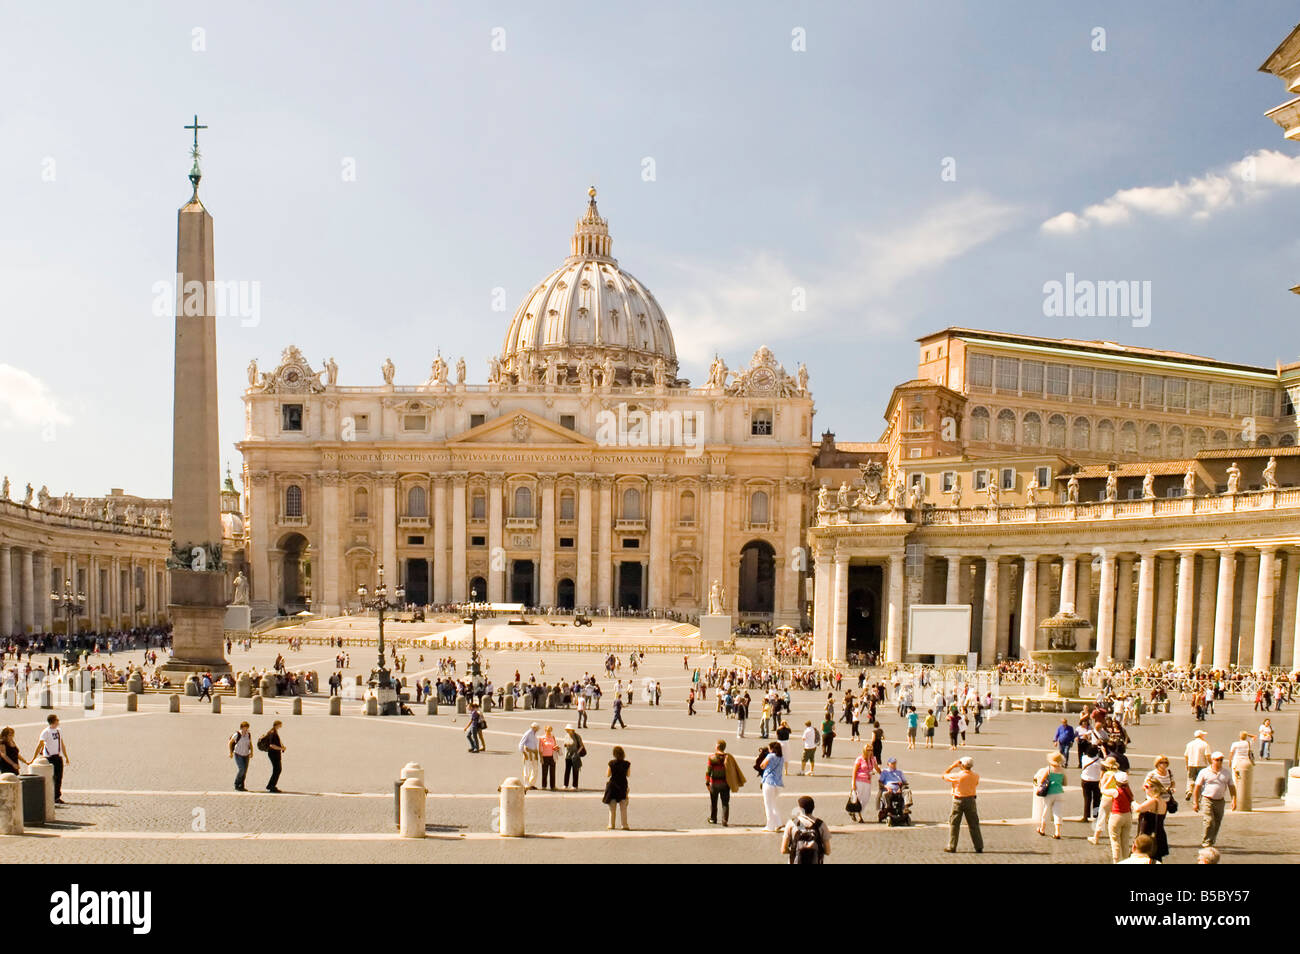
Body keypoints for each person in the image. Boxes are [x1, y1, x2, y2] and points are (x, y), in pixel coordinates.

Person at [1192, 752, 1236, 848]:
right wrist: (1195, 802)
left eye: (1221, 760)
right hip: (1207, 799)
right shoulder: (1204, 772)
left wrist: (1234, 800)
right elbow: (1197, 788)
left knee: (1217, 822)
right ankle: (1206, 841)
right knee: (1209, 821)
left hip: (1220, 801)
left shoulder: (1226, 772)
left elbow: (1232, 787)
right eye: (1217, 759)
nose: (1219, 762)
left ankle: (1211, 840)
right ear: (1212, 760)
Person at [942, 756, 982, 853]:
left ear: (962, 765)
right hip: (971, 800)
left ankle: (952, 846)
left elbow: (944, 775)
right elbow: (975, 784)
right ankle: (979, 846)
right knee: (974, 824)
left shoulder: (957, 776)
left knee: (954, 824)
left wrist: (952, 766)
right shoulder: (976, 776)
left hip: (958, 800)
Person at [1136, 757, 1173, 862]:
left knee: (1146, 857)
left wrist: (1132, 802)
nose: (1146, 788)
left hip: (1149, 832)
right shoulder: (1162, 801)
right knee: (1157, 858)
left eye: (1149, 786)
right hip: (1159, 832)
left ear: (1155, 788)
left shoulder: (1153, 801)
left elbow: (1138, 809)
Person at [780, 795, 830, 864]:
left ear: (800, 809)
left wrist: (795, 852)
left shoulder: (792, 823)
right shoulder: (820, 824)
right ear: (813, 808)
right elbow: (828, 851)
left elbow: (783, 850)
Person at [705, 739, 745, 826]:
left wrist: (707, 783)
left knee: (714, 802)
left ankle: (713, 818)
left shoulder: (711, 757)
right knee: (725, 803)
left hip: (714, 783)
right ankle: (724, 820)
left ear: (717, 746)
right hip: (725, 783)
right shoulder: (729, 757)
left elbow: (708, 771)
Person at [32, 714, 69, 803]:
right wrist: (34, 758)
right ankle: (49, 796)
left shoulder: (58, 731)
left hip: (58, 757)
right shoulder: (46, 732)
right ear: (53, 721)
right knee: (50, 778)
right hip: (49, 757)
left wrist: (66, 756)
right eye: (57, 720)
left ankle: (56, 796)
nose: (58, 721)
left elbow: (62, 744)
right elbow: (40, 745)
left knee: (59, 777)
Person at [1033, 751, 1067, 838]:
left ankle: (1042, 829)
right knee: (1058, 813)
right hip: (1059, 793)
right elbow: (1065, 783)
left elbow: (1041, 781)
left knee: (1045, 810)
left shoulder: (1048, 769)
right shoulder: (1062, 770)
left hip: (1049, 793)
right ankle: (1057, 832)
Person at [1107, 770, 1136, 863]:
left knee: (1115, 840)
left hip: (1116, 816)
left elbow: (1102, 789)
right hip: (1127, 816)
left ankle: (1116, 861)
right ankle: (1126, 861)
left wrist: (1109, 780)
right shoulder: (1128, 790)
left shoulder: (1115, 791)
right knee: (1125, 841)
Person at [759, 741, 786, 831]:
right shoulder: (781, 758)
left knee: (768, 805)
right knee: (773, 804)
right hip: (778, 783)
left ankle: (770, 826)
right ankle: (778, 823)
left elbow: (762, 765)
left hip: (768, 782)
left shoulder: (770, 756)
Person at [603, 745, 631, 830]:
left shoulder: (611, 763)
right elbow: (628, 775)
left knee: (612, 807)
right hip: (622, 785)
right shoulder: (627, 764)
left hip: (613, 786)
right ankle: (624, 825)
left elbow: (607, 774)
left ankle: (611, 824)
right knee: (623, 807)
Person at [848, 745, 876, 823]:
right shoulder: (859, 759)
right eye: (868, 749)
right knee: (859, 798)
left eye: (871, 749)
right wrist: (853, 783)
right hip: (859, 780)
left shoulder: (873, 759)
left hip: (867, 781)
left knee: (866, 798)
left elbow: (876, 768)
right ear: (864, 750)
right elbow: (854, 771)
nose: (869, 751)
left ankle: (854, 811)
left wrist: (885, 774)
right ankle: (860, 815)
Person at [1079, 742, 1103, 822]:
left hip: (1085, 780)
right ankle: (1096, 815)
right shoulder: (1100, 761)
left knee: (1087, 799)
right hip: (1096, 781)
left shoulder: (1084, 758)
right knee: (1097, 799)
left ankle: (1086, 816)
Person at [1183, 729, 1210, 800]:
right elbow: (1208, 755)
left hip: (1191, 764)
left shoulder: (1189, 744)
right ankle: (1201, 795)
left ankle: (1189, 790)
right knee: (1202, 781)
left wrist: (1187, 764)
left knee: (1190, 779)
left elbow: (1186, 755)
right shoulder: (1205, 744)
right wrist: (1211, 764)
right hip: (1202, 765)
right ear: (1201, 736)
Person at [261, 720, 285, 793]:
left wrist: (281, 746)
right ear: (277, 725)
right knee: (277, 770)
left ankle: (271, 785)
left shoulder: (273, 732)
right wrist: (281, 748)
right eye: (280, 725)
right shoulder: (273, 733)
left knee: (277, 770)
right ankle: (271, 786)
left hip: (275, 754)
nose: (281, 726)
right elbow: (272, 745)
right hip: (273, 754)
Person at [228, 721, 253, 791]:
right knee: (241, 769)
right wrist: (230, 752)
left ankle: (241, 785)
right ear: (242, 727)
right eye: (245, 728)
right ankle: (236, 784)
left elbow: (250, 743)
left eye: (247, 728)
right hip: (238, 754)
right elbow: (230, 743)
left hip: (246, 754)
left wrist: (251, 752)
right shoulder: (237, 734)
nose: (246, 729)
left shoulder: (248, 734)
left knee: (245, 771)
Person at [517, 722, 541, 788]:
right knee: (527, 769)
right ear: (534, 728)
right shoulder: (528, 733)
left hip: (534, 753)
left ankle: (532, 783)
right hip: (528, 752)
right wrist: (524, 753)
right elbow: (521, 744)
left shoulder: (534, 734)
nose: (538, 729)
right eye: (537, 728)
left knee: (535, 768)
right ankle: (526, 784)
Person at [563, 724, 585, 790]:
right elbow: (565, 744)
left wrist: (577, 753)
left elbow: (581, 746)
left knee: (575, 770)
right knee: (567, 770)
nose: (567, 731)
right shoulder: (566, 736)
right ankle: (565, 785)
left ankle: (574, 785)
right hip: (568, 755)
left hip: (575, 756)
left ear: (572, 730)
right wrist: (566, 745)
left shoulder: (577, 736)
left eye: (568, 730)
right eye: (566, 730)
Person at [539, 725, 560, 791]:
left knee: (552, 772)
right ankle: (544, 786)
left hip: (552, 756)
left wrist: (557, 748)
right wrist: (541, 758)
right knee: (544, 772)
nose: (548, 732)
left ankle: (553, 786)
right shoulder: (542, 738)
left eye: (550, 730)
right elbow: (540, 749)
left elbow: (555, 745)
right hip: (545, 757)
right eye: (547, 730)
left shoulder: (553, 737)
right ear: (545, 730)